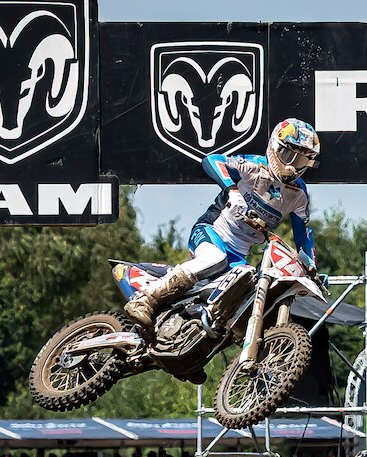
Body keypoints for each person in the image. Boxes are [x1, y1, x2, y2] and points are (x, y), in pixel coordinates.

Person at [122, 119, 322, 339]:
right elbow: (211, 160)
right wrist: (231, 189)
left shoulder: (298, 195)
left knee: (245, 296)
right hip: (211, 231)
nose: (293, 165)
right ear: (275, 147)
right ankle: (146, 299)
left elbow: (303, 236)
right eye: (289, 156)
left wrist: (311, 266)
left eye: (302, 159)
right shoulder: (253, 166)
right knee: (214, 258)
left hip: (239, 255)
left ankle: (193, 350)